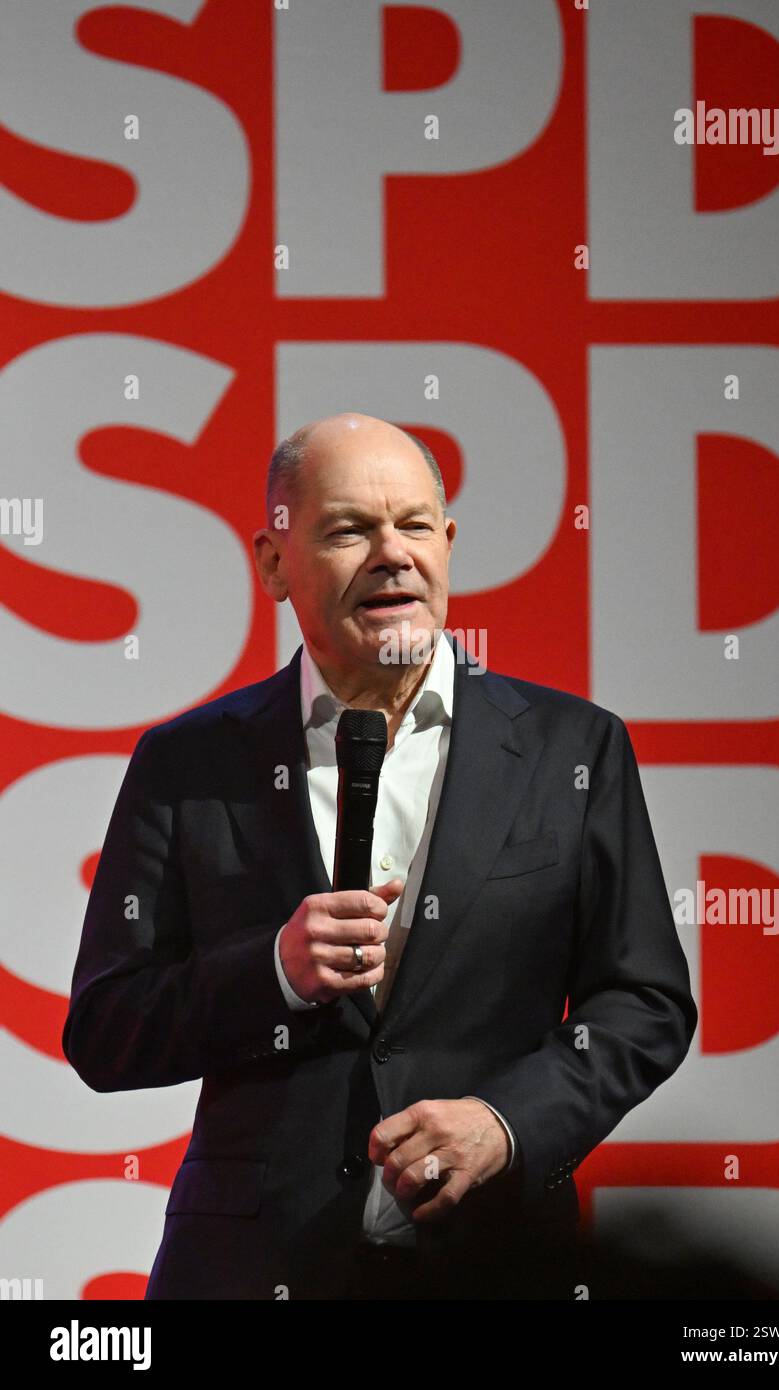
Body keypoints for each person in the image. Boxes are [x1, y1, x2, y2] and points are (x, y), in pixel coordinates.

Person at [62, 412, 697, 1300]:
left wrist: (504, 1123)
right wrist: (272, 973)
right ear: (274, 563)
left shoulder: (573, 750)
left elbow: (645, 1001)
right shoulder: (189, 763)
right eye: (349, 529)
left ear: (448, 543)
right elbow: (105, 1028)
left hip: (497, 1267)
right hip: (252, 1275)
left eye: (412, 525)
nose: (391, 554)